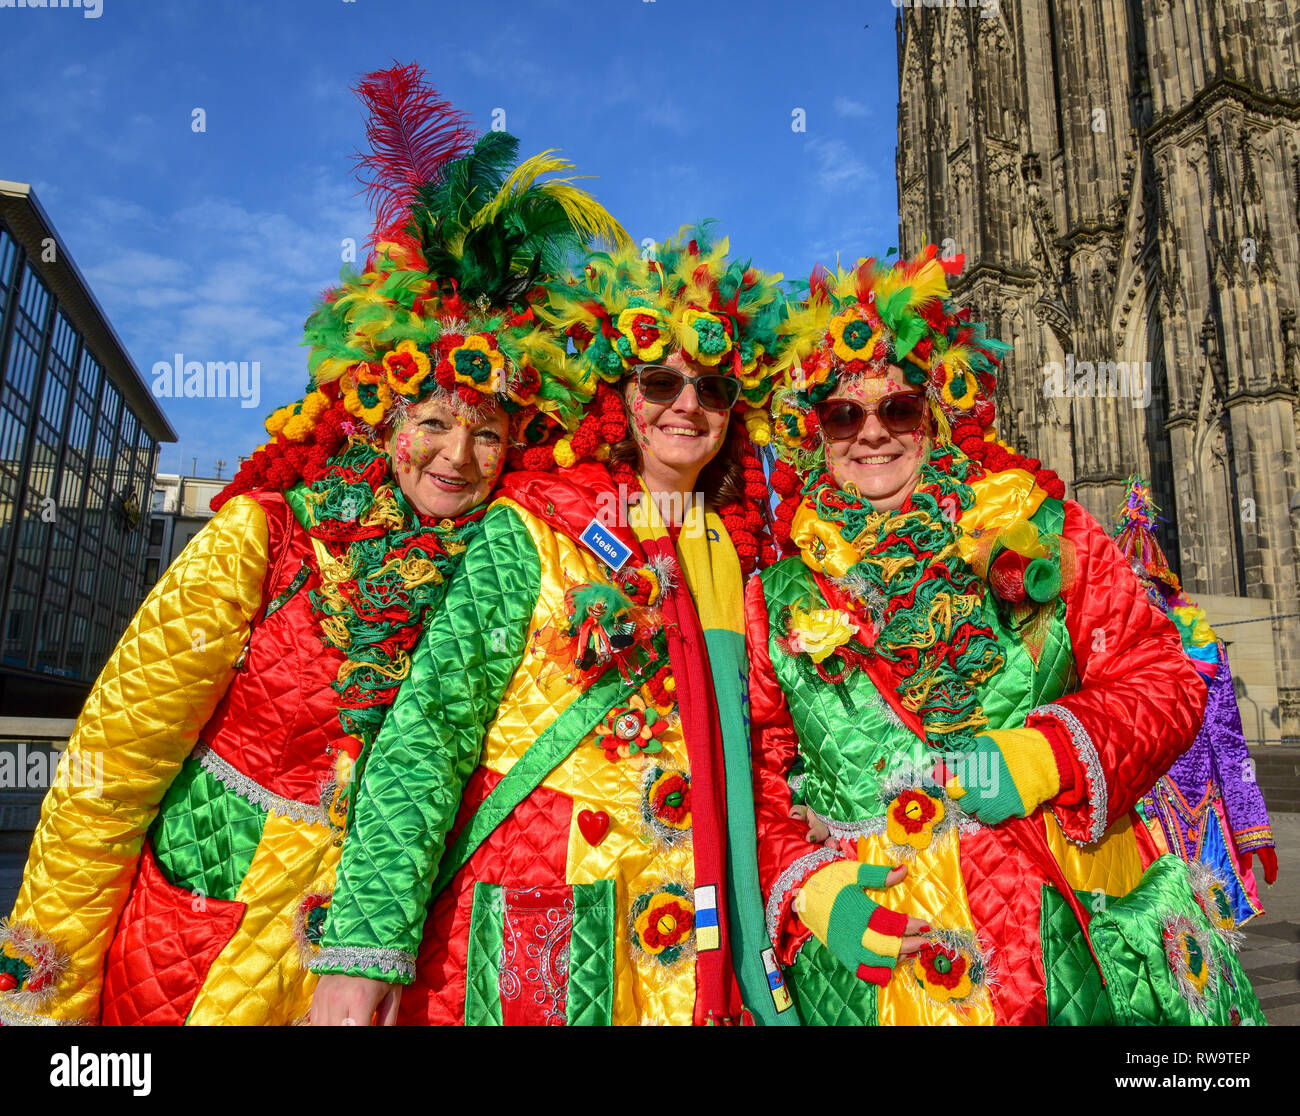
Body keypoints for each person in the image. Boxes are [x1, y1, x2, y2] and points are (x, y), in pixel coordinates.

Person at [0, 63, 626, 1025]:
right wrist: (45, 994)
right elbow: (108, 771)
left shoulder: (503, 570)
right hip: (193, 954)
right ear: (381, 418)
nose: (456, 457)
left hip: (377, 972)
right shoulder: (267, 537)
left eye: (489, 431)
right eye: (433, 421)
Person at [748, 246, 1266, 1025]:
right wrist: (809, 888)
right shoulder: (774, 596)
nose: (873, 434)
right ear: (813, 435)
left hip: (1062, 939)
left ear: (937, 416)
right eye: (844, 414)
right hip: (878, 973)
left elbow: (1163, 673)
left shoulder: (1042, 533)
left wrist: (1046, 752)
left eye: (899, 409)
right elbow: (755, 768)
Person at [310, 225, 799, 1026]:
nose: (686, 404)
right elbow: (432, 727)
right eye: (660, 382)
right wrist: (364, 948)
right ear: (619, 396)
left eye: (712, 389)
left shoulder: (730, 560)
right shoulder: (532, 528)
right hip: (544, 937)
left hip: (696, 956)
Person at [1113, 476, 1278, 923]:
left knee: (1208, 941)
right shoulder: (1102, 647)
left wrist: (1250, 828)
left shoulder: (1202, 647)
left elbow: (1229, 742)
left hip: (1199, 816)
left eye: (1149, 586)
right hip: (1136, 818)